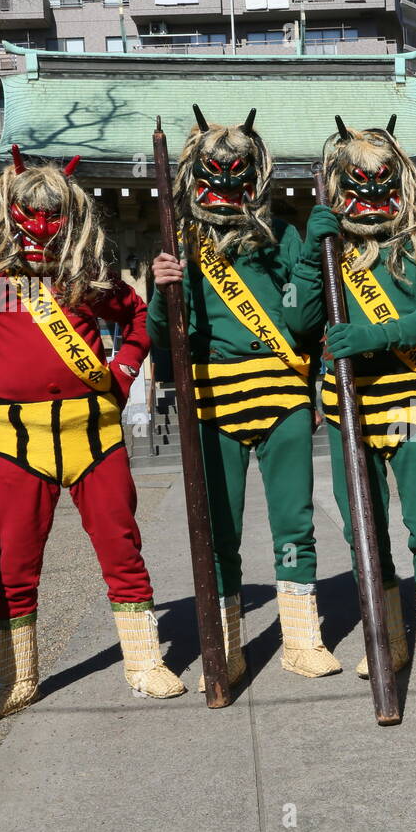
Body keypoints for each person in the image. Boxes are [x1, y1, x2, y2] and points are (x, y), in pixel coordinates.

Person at [0, 116, 185, 720]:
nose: (44, 226)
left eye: (55, 215)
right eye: (33, 214)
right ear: (11, 209)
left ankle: (144, 660)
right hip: (19, 440)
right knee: (13, 562)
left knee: (122, 550)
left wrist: (124, 373)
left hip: (95, 432)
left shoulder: (86, 278)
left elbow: (138, 320)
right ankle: (14, 677)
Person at [148, 106, 338, 683]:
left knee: (293, 523)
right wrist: (162, 294)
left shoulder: (281, 234)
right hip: (213, 396)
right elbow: (166, 341)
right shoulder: (179, 241)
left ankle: (302, 637)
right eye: (214, 175)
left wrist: (309, 259)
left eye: (239, 174)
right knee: (217, 526)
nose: (227, 186)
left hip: (281, 393)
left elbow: (305, 320)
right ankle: (224, 639)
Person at [310, 117, 416, 681]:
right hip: (348, 411)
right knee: (364, 527)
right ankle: (386, 637)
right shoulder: (329, 246)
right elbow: (298, 317)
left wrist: (376, 335)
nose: (370, 193)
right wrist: (313, 255)